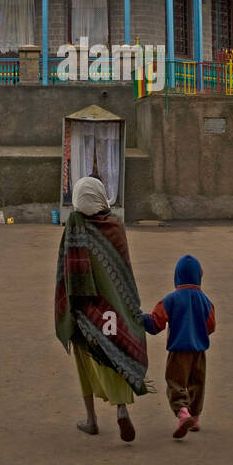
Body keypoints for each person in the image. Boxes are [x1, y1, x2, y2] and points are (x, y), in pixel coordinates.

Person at [55, 176, 150, 442]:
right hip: (114, 310)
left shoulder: (76, 227)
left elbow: (68, 271)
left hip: (86, 313)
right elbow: (123, 270)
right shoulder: (115, 226)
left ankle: (91, 419)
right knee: (113, 357)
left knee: (86, 364)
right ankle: (121, 410)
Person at [141, 254, 216, 439]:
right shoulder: (206, 300)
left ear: (177, 276)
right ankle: (195, 418)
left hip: (178, 350)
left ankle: (183, 413)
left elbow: (154, 324)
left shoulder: (171, 299)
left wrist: (139, 316)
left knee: (175, 382)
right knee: (197, 383)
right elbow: (211, 326)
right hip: (199, 352)